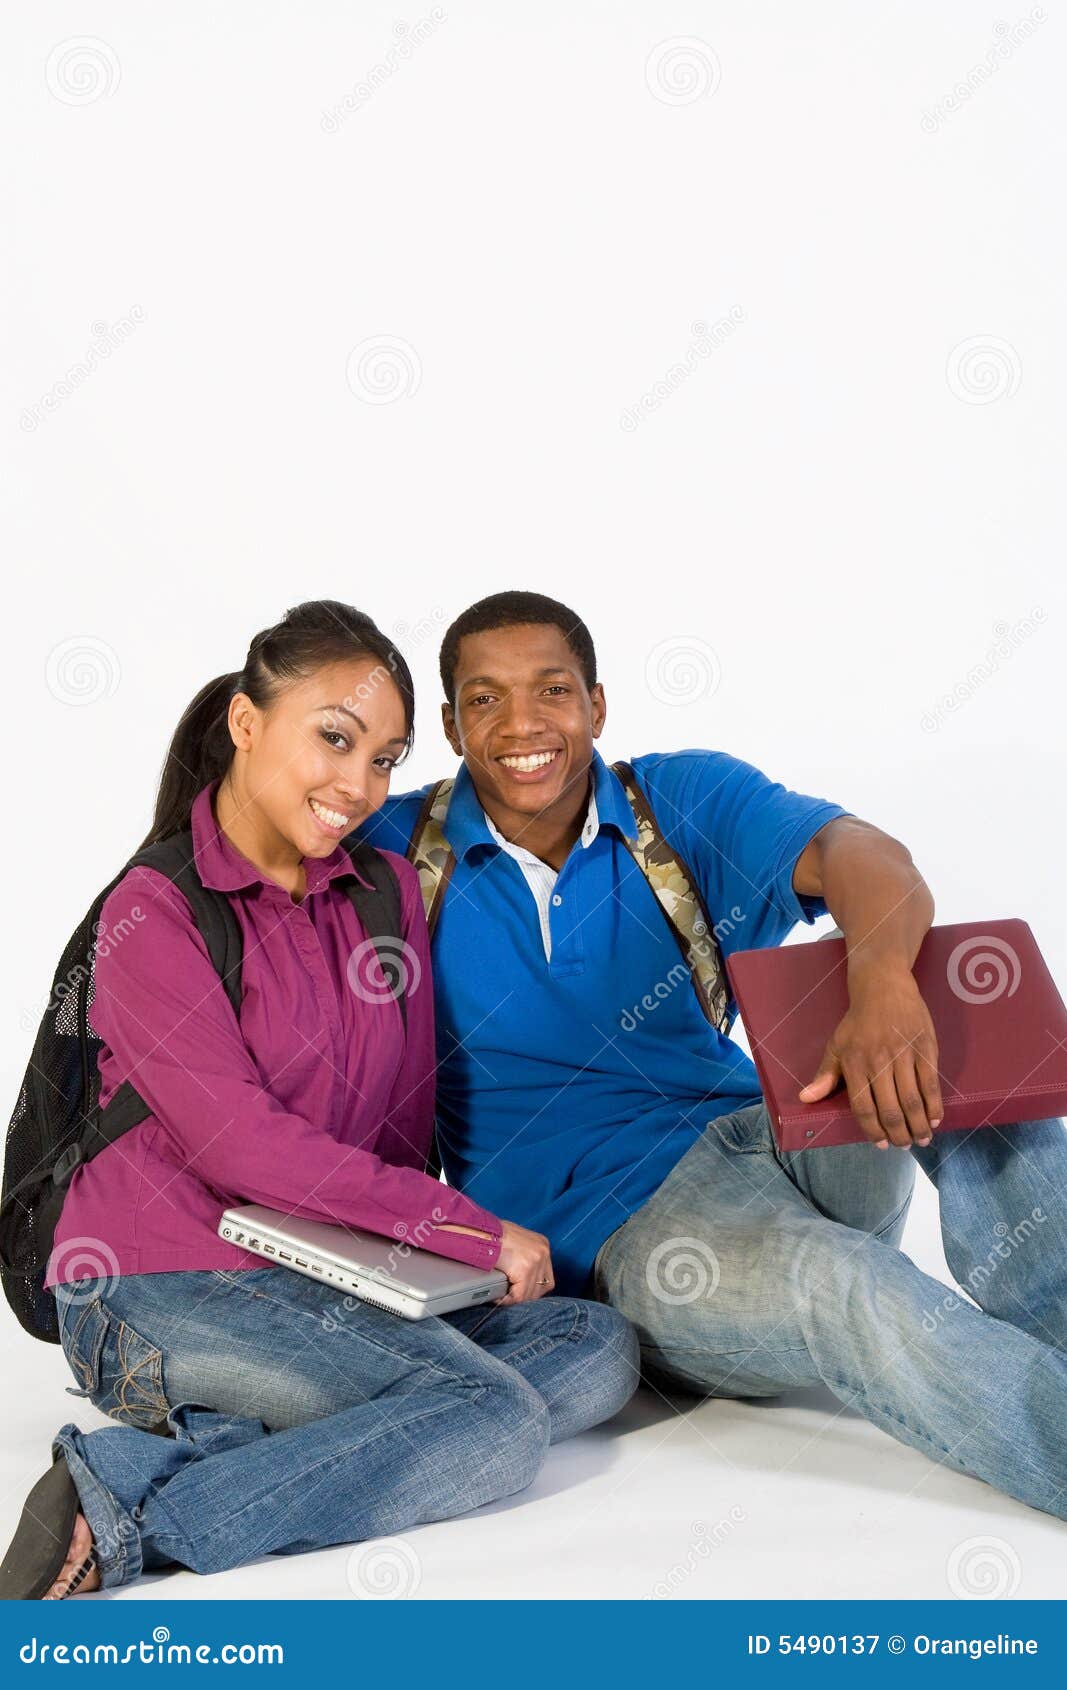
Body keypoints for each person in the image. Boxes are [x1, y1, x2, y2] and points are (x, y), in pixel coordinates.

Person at [356, 588, 1067, 1523]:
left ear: (596, 705)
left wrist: (885, 992)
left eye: (552, 691)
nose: (522, 724)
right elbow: (248, 858)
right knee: (844, 1281)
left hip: (775, 1133)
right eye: (485, 700)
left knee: (962, 1041)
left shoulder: (677, 799)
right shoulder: (388, 852)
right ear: (449, 724)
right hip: (624, 1231)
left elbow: (863, 854)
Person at [0, 599, 638, 1601]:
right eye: (333, 739)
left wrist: (421, 1268)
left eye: (383, 758)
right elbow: (242, 1149)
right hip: (152, 1280)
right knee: (496, 1418)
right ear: (248, 724)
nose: (358, 784)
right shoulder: (155, 908)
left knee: (593, 1345)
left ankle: (208, 1451)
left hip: (320, 1272)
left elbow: (400, 1120)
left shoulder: (380, 888)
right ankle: (126, 1509)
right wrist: (470, 1231)